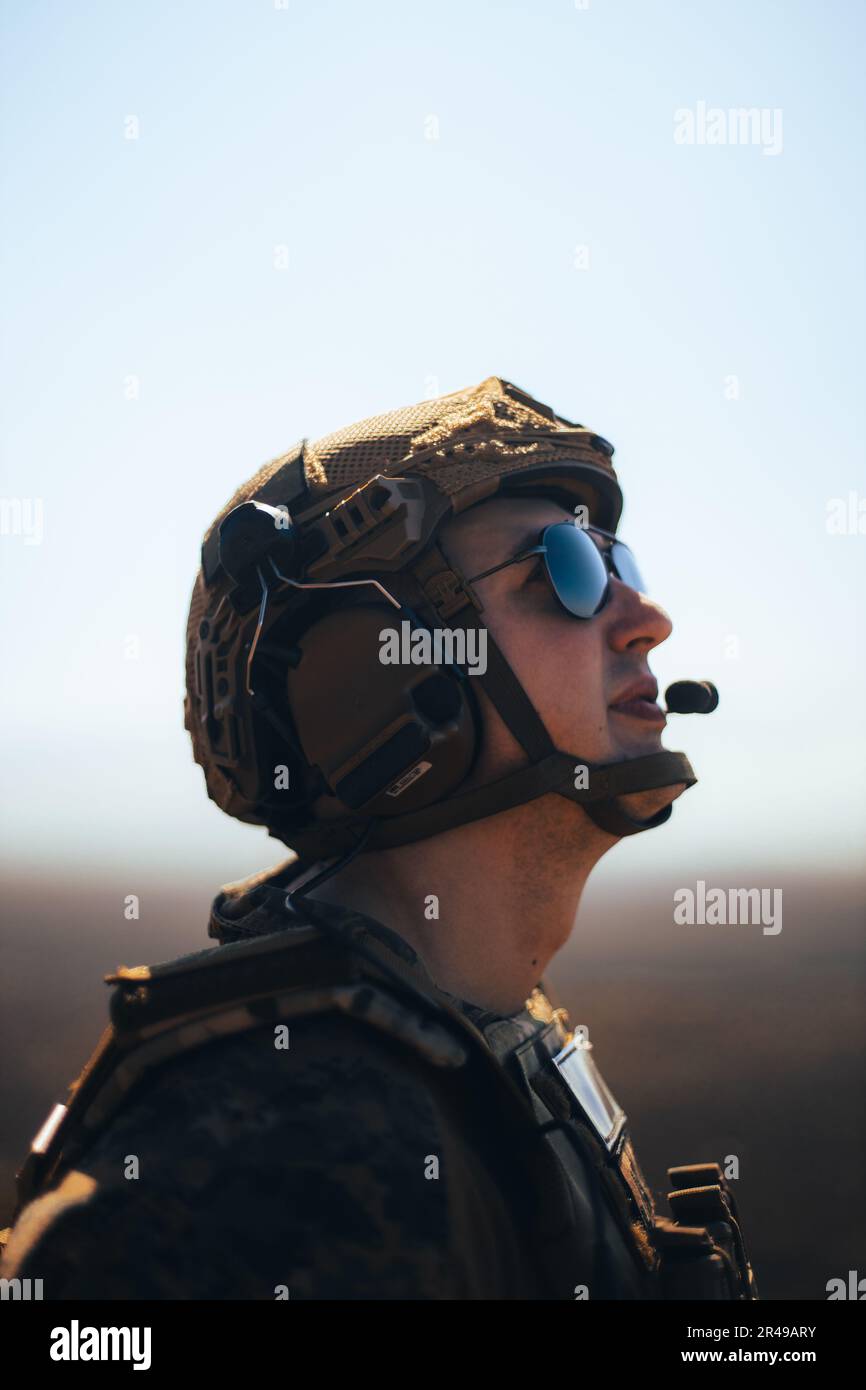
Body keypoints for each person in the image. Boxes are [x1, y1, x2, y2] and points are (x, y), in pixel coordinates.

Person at [0, 376, 756, 1299]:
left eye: (617, 564)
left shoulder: (485, 1029)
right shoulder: (267, 1168)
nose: (647, 619)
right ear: (368, 678)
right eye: (563, 570)